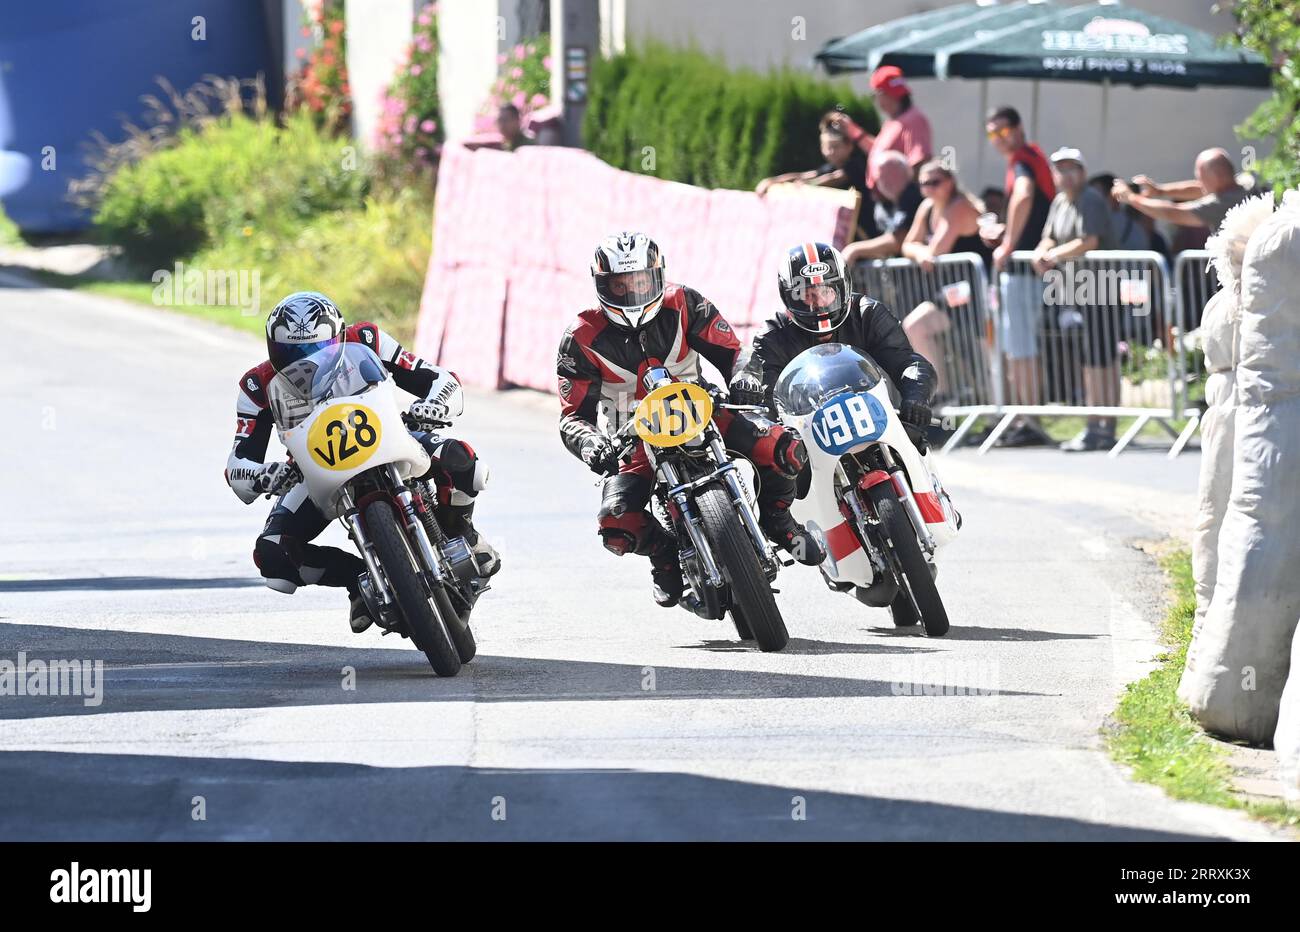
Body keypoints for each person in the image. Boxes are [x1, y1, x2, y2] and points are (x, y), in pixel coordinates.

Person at [555, 232, 822, 610]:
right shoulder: (579, 337)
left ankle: (778, 519)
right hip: (634, 436)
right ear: (602, 286)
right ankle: (664, 559)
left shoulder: (685, 302)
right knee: (615, 524)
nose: (631, 293)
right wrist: (591, 443)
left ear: (657, 276)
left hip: (701, 408)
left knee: (786, 449)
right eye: (620, 285)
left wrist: (744, 379)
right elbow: (572, 417)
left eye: (640, 282)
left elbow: (735, 353)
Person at [225, 292, 499, 634]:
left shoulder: (366, 338)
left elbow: (440, 379)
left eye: (316, 348)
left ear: (338, 337)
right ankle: (357, 580)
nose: (305, 361)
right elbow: (237, 464)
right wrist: (265, 475)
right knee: (273, 554)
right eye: (291, 353)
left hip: (390, 435)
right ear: (271, 348)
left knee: (462, 461)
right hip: (314, 468)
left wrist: (433, 406)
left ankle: (464, 535)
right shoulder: (256, 385)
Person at [730, 241, 936, 462]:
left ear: (843, 288)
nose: (818, 304)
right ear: (788, 296)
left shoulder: (867, 313)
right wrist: (777, 432)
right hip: (811, 436)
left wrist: (916, 395)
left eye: (826, 292)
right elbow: (766, 395)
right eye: (806, 294)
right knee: (780, 476)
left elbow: (907, 362)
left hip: (875, 420)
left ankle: (932, 495)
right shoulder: (773, 335)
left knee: (916, 448)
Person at [1033, 148, 1119, 451]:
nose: (1065, 175)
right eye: (1060, 169)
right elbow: (1050, 236)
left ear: (1082, 172)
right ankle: (1098, 424)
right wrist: (1042, 250)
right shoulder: (1059, 201)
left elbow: (1089, 240)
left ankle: (1102, 427)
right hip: (1078, 288)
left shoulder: (1090, 200)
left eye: (1071, 169)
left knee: (1100, 358)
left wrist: (1052, 255)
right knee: (1091, 357)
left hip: (1101, 286)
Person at [980, 105, 1056, 446]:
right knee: (1019, 348)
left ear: (1018, 127)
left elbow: (1024, 196)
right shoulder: (1028, 157)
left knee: (1021, 350)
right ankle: (1027, 417)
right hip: (1026, 269)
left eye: (1002, 131)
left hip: (1023, 271)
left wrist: (1007, 243)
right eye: (992, 134)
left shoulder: (1024, 159)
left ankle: (1029, 420)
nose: (998, 139)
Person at [897, 160, 992, 402]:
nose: (928, 188)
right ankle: (942, 394)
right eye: (923, 183)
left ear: (950, 183)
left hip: (979, 294)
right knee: (915, 326)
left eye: (935, 182)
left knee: (986, 358)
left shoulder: (959, 206)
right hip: (951, 294)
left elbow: (938, 249)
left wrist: (924, 251)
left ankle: (1005, 418)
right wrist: (920, 252)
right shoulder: (927, 207)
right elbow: (908, 244)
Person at [755, 118, 879, 239]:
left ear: (849, 146)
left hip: (866, 225)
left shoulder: (857, 165)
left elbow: (835, 178)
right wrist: (772, 181)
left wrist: (808, 185)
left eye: (835, 147)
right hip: (847, 230)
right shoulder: (829, 167)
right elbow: (802, 176)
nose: (830, 152)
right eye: (826, 147)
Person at [826, 65, 933, 189]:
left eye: (875, 95)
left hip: (899, 202)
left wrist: (906, 200)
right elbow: (879, 151)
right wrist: (852, 130)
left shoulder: (913, 120)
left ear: (883, 93)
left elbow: (920, 161)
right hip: (889, 200)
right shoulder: (895, 121)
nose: (876, 101)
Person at [1115, 148, 1250, 236]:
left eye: (1200, 178)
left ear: (1214, 178)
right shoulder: (1246, 183)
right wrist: (1160, 191)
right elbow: (1201, 190)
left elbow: (1174, 212)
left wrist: (1131, 198)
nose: (1199, 182)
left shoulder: (1222, 204)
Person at [840, 151, 923, 262]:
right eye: (881, 176)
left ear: (908, 172)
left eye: (893, 174)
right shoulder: (886, 203)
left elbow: (898, 240)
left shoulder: (912, 196)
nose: (887, 181)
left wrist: (855, 249)